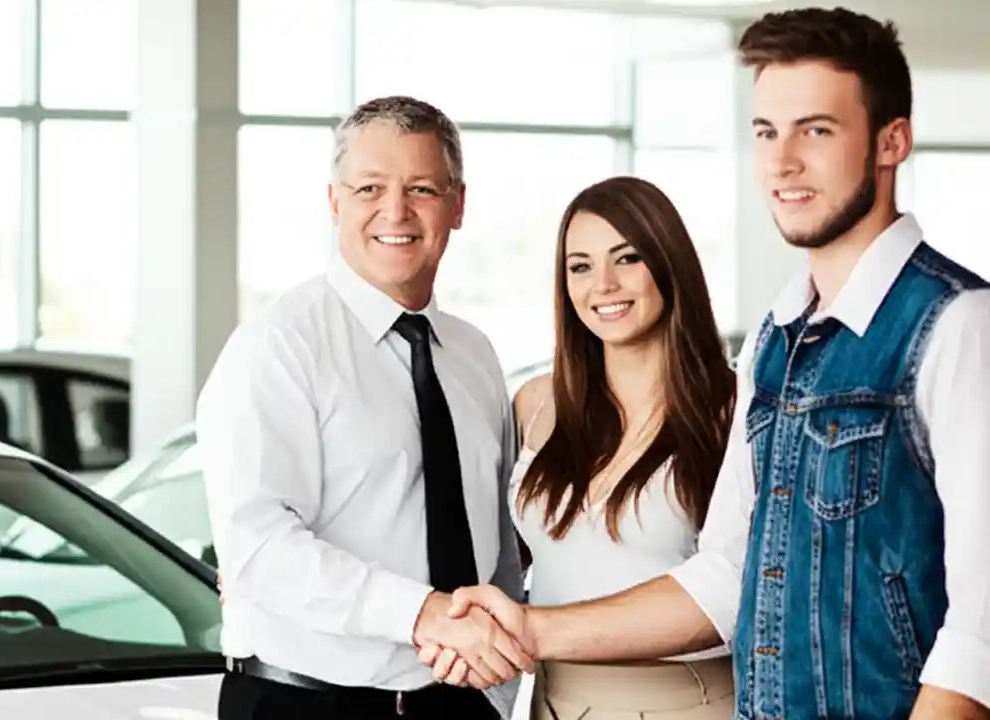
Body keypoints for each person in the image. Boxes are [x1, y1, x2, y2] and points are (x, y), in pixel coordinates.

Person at [423, 8, 990, 720]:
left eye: (815, 130)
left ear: (891, 141)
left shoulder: (960, 324)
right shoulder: (775, 343)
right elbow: (728, 580)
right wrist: (532, 627)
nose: (782, 161)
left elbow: (983, 625)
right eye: (765, 132)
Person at [196, 95, 531, 720]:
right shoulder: (277, 347)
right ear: (334, 203)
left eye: (422, 189)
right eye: (370, 187)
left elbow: (499, 546)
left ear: (458, 205)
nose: (395, 211)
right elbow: (259, 548)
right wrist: (425, 615)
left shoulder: (474, 355)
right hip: (306, 704)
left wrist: (494, 691)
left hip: (458, 705)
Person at [427, 176, 738, 718]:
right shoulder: (536, 404)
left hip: (686, 701)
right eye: (580, 266)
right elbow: (504, 561)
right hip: (551, 700)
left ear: (670, 264)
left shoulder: (731, 411)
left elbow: (740, 586)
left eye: (628, 259)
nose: (604, 285)